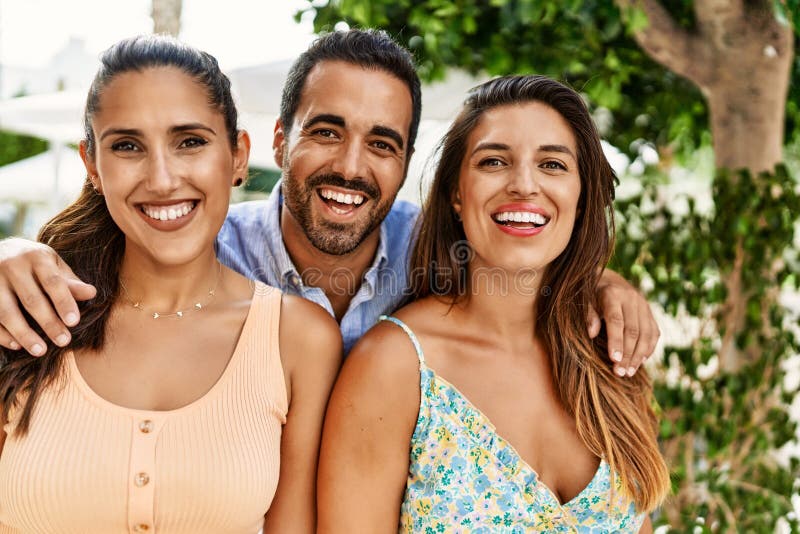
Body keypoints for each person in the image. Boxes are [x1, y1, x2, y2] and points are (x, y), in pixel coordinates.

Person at [0, 30, 657, 373]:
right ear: (279, 140)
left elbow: (526, 266)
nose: (350, 166)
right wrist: (15, 251)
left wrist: (601, 282)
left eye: (381, 144)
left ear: (405, 162)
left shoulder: (436, 254)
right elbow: (87, 253)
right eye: (325, 131)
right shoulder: (200, 247)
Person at [0, 35, 341, 533]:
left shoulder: (299, 339)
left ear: (238, 156)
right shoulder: (26, 313)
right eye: (127, 146)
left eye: (190, 142)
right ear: (92, 165)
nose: (161, 178)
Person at [317, 75, 670, 533]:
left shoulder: (612, 355)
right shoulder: (396, 365)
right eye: (494, 161)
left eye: (553, 165)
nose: (524, 185)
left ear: (581, 199)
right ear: (456, 194)